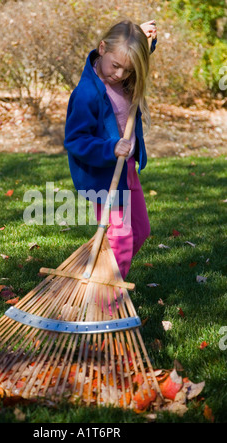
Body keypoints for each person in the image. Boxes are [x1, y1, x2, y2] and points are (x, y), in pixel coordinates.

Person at [64, 19, 157, 280]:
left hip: (126, 168)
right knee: (121, 238)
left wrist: (144, 38)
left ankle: (103, 272)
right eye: (116, 66)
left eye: (127, 71)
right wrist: (109, 147)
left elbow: (132, 57)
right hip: (104, 174)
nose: (119, 75)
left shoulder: (124, 70)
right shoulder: (86, 94)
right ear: (102, 48)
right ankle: (106, 301)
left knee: (140, 231)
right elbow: (75, 139)